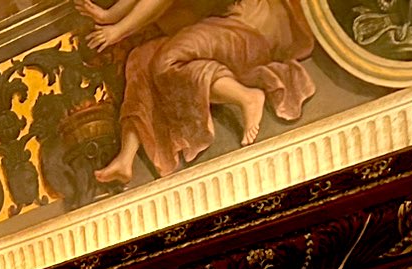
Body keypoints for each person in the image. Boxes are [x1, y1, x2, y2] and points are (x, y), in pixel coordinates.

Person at [85, 0, 316, 182]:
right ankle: (126, 157)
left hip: (252, 27)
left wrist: (116, 29)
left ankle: (247, 97)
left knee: (167, 61)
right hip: (223, 24)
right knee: (141, 58)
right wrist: (110, 16)